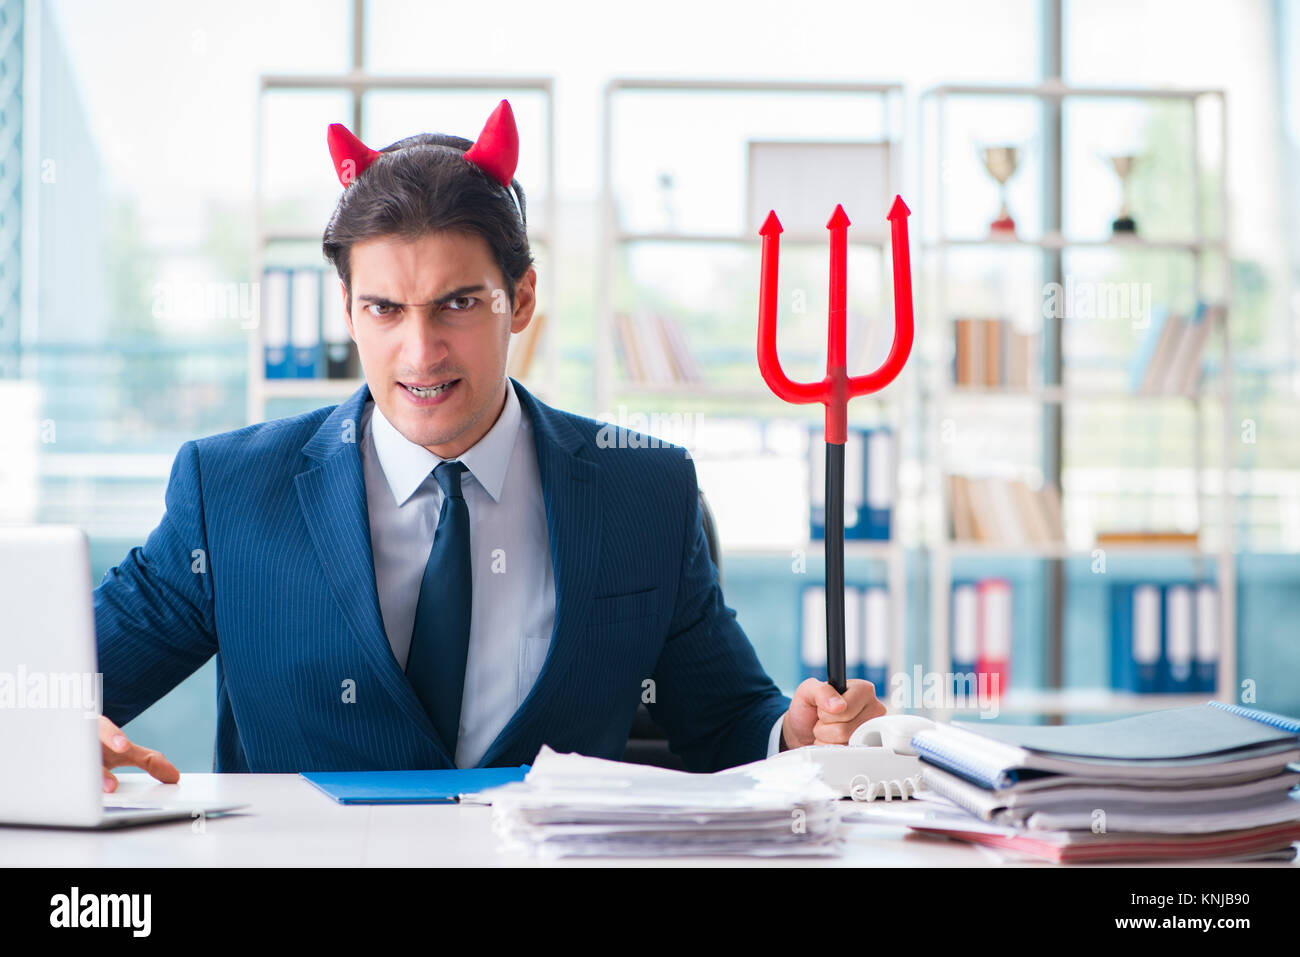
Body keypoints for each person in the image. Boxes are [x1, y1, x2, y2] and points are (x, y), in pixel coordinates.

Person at [97, 100, 885, 791]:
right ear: (346, 307)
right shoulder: (230, 492)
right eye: (384, 309)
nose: (420, 352)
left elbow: (728, 721)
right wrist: (50, 727)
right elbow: (63, 683)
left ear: (523, 298)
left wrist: (800, 730)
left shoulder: (645, 490)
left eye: (458, 303)